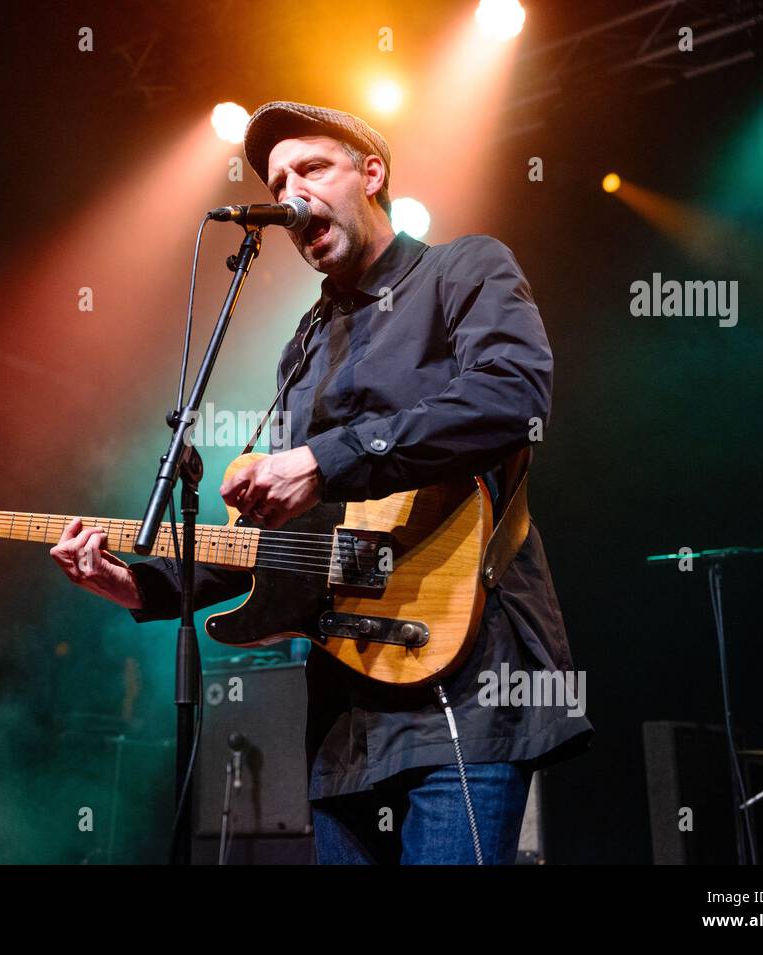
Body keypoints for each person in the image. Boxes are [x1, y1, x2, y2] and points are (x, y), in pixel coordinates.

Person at [50, 101, 592, 864]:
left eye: (311, 168)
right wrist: (141, 585)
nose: (291, 192)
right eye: (277, 180)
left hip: (464, 676)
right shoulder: (302, 348)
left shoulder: (463, 267)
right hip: (343, 713)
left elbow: (511, 395)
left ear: (372, 173)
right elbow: (277, 540)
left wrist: (325, 457)